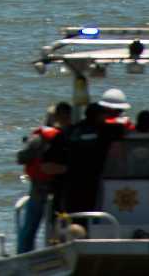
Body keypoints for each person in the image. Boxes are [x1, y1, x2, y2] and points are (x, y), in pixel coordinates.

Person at [58, 92, 130, 223]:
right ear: (99, 116)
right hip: (93, 178)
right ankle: (89, 232)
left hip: (72, 179)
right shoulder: (105, 130)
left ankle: (74, 233)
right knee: (92, 210)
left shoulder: (73, 130)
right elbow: (123, 131)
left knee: (74, 212)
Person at [16, 101, 71, 254]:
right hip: (60, 189)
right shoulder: (67, 136)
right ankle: (58, 252)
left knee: (30, 227)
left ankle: (24, 253)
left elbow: (21, 157)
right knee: (59, 226)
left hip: (39, 189)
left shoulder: (38, 138)